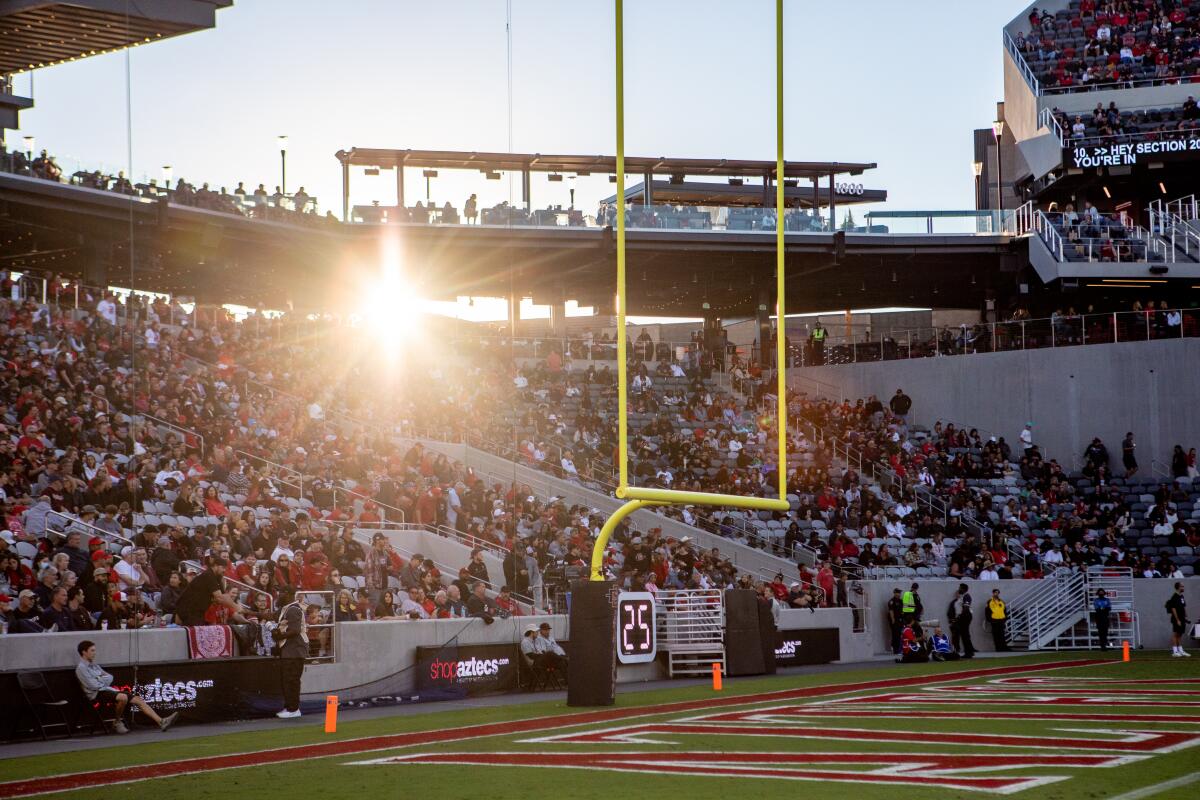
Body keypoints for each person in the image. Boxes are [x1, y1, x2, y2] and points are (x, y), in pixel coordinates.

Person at [76, 640, 178, 734]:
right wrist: (101, 679)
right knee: (123, 697)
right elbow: (93, 686)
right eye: (92, 650)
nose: (94, 653)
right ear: (84, 652)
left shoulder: (95, 665)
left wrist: (98, 678)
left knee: (138, 699)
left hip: (107, 690)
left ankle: (161, 721)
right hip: (96, 694)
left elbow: (110, 677)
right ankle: (117, 722)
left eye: (94, 650)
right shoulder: (81, 668)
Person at [174, 558, 245, 626]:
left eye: (225, 568)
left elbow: (224, 595)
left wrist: (237, 602)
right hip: (187, 609)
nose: (224, 570)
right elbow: (220, 597)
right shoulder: (208, 575)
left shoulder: (217, 577)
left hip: (198, 611)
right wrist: (236, 607)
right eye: (222, 567)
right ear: (216, 566)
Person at [275, 593, 309, 717]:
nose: (280, 596)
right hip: (291, 650)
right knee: (288, 680)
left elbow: (295, 630)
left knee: (292, 680)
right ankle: (290, 707)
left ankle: (293, 709)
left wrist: (280, 635)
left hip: (295, 650)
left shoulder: (293, 609)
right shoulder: (288, 609)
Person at [947, 583, 976, 658]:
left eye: (960, 588)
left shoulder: (966, 596)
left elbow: (966, 608)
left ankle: (968, 653)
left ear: (964, 589)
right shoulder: (961, 597)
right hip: (961, 617)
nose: (959, 589)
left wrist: (960, 617)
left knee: (965, 634)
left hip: (965, 617)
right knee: (964, 634)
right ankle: (969, 651)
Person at [1166, 582, 1190, 657]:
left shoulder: (1181, 596)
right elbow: (1173, 609)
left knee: (1180, 634)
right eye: (1182, 586)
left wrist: (1185, 615)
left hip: (1182, 618)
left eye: (1183, 586)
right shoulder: (1174, 597)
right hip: (1177, 619)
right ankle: (1175, 651)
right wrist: (1177, 620)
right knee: (1176, 634)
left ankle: (1181, 650)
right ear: (1178, 587)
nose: (1183, 588)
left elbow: (1183, 606)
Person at [886, 588, 903, 655]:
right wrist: (893, 620)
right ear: (895, 593)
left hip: (900, 620)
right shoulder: (891, 601)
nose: (899, 594)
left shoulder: (900, 601)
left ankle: (897, 648)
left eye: (900, 593)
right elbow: (891, 611)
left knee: (899, 634)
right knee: (895, 634)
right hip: (894, 620)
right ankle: (895, 649)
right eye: (898, 593)